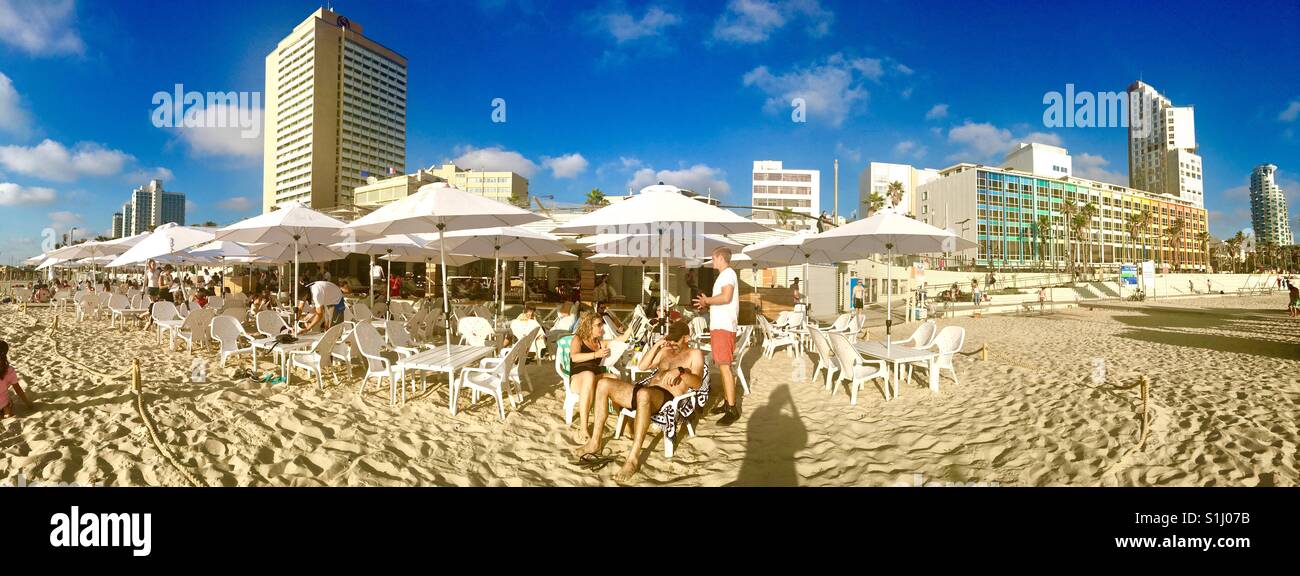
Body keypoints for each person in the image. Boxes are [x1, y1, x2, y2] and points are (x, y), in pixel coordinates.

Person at [572, 320, 704, 482]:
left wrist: (681, 371)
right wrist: (657, 346)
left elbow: (697, 383)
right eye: (670, 339)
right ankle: (595, 442)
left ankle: (633, 459)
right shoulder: (666, 351)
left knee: (643, 394)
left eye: (676, 340)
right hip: (645, 391)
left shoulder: (694, 354)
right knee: (603, 383)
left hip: (665, 397)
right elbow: (642, 366)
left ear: (686, 338)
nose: (672, 343)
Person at [693, 246, 740, 426]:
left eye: (713, 258)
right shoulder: (725, 275)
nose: (712, 261)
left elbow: (726, 297)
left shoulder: (728, 274)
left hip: (724, 328)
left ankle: (732, 409)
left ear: (720, 258)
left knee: (725, 367)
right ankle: (728, 402)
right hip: (720, 327)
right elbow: (723, 301)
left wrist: (707, 300)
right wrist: (708, 305)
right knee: (722, 366)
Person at [568, 312, 611, 442]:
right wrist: (595, 355)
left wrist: (632, 327)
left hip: (593, 376)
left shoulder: (599, 342)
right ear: (589, 327)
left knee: (614, 378)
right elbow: (574, 357)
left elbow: (620, 339)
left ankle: (624, 423)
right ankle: (583, 428)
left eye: (602, 324)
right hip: (578, 379)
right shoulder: (578, 339)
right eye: (598, 325)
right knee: (589, 375)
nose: (602, 327)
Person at [0, 340, 32, 419]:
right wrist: (28, 403)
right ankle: (6, 412)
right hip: (2, 403)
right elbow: (18, 390)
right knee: (7, 402)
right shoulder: (9, 370)